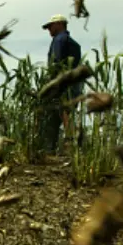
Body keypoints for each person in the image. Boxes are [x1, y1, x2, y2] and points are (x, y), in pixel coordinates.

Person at [40, 14, 83, 155]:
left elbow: (56, 63)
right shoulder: (73, 43)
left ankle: (68, 146)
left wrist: (51, 83)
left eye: (50, 26)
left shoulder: (59, 40)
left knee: (63, 112)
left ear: (59, 24)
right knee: (62, 113)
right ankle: (67, 147)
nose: (49, 30)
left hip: (63, 84)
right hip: (74, 83)